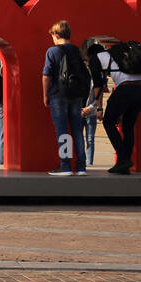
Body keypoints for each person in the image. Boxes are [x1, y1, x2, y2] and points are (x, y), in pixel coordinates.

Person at [42, 20, 90, 176]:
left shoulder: (52, 51)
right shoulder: (77, 51)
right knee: (77, 130)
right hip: (75, 96)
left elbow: (46, 77)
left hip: (58, 95)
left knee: (62, 131)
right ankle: (81, 167)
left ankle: (65, 166)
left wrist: (45, 95)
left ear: (56, 35)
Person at [95, 39, 141, 175]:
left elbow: (97, 86)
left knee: (108, 122)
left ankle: (123, 159)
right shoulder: (129, 52)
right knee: (128, 125)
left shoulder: (102, 56)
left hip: (125, 88)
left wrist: (99, 108)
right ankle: (124, 163)